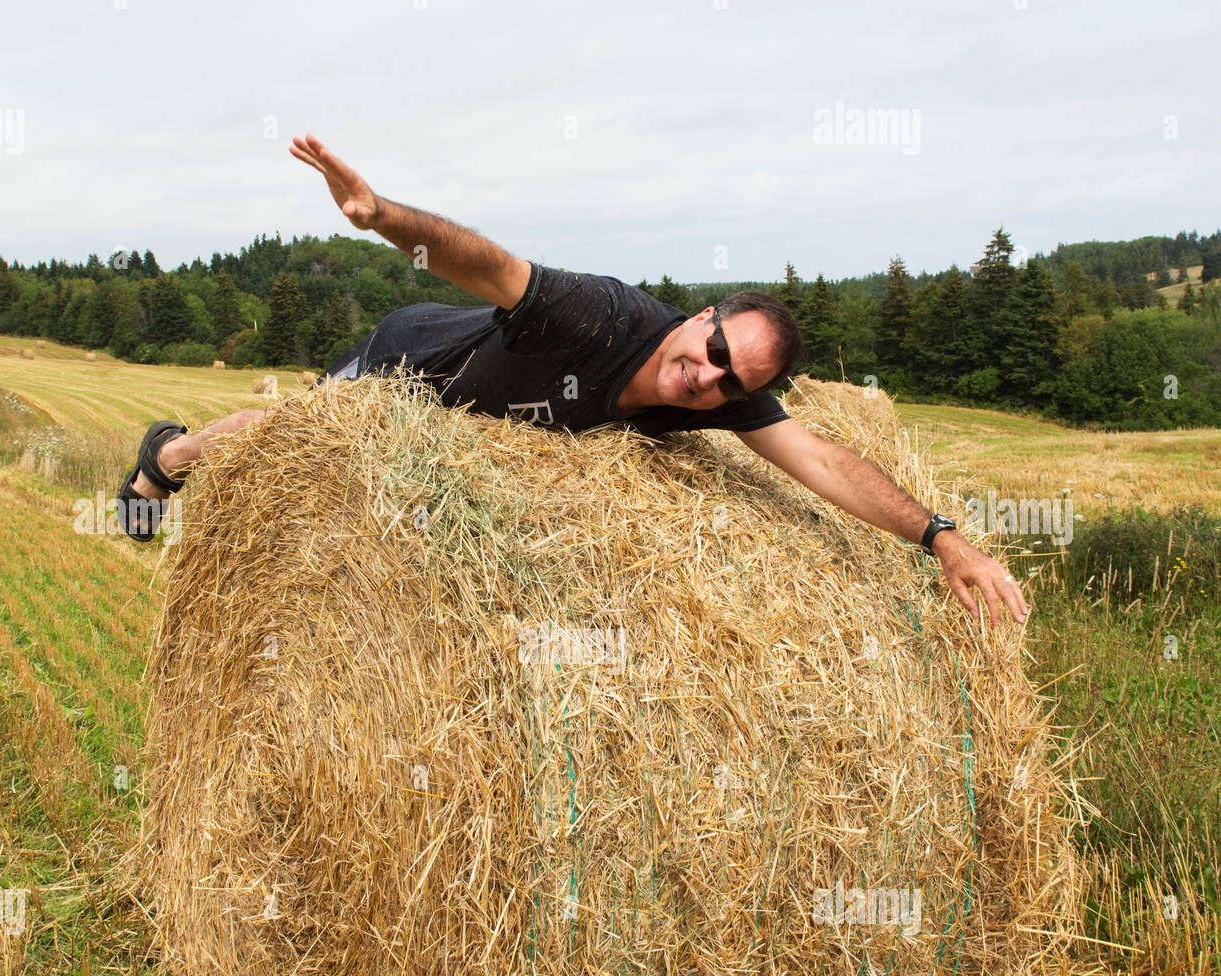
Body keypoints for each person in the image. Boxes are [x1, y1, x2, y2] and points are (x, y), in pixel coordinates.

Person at [117, 134, 1027, 627]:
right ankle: (171, 457)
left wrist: (941, 538)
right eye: (713, 349)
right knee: (294, 432)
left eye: (728, 382)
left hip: (479, 438)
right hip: (416, 370)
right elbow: (488, 266)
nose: (706, 379)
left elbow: (825, 463)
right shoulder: (601, 314)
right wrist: (380, 215)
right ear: (699, 315)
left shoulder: (721, 394)